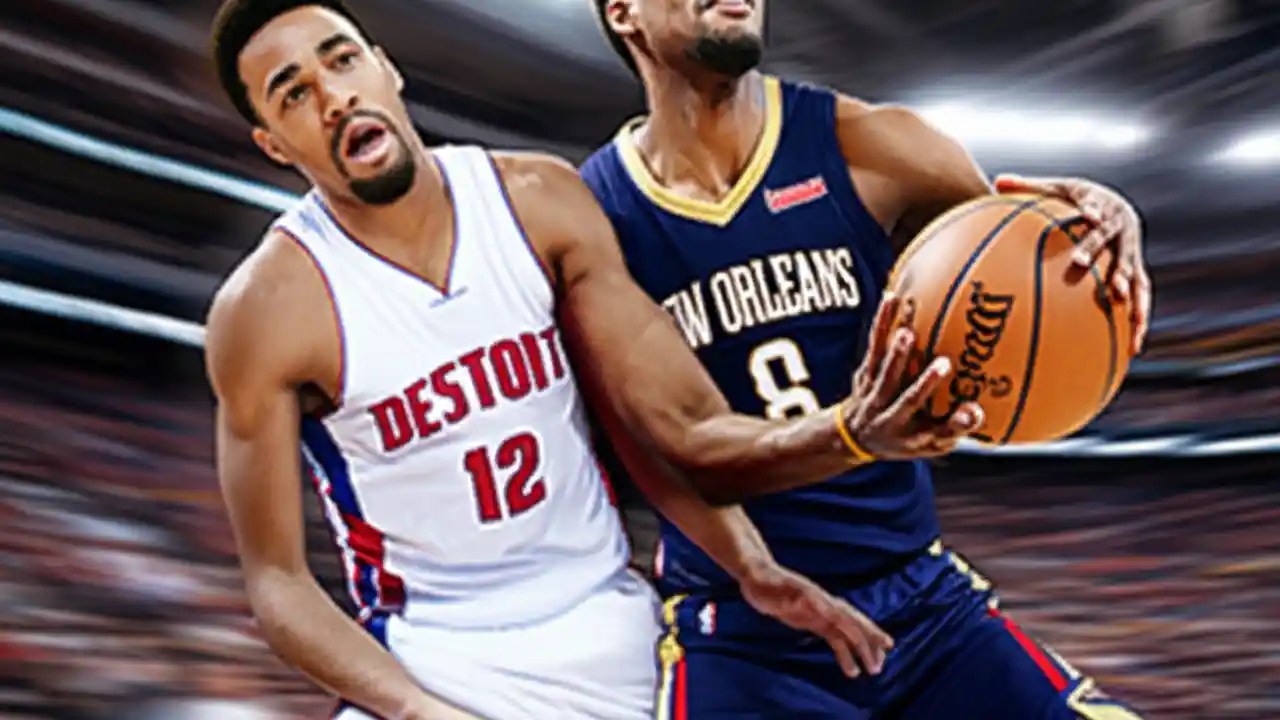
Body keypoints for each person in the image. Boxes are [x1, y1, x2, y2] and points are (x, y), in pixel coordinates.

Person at [205, 1, 974, 718]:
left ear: (385, 67)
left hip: (614, 632)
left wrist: (751, 566)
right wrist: (416, 710)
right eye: (293, 94)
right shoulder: (267, 311)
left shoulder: (541, 200)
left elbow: (655, 426)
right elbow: (278, 584)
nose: (333, 97)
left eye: (341, 62)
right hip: (431, 658)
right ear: (274, 143)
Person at [582, 1, 1153, 718]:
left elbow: (1021, 287)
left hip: (921, 602)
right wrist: (852, 434)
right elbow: (684, 448)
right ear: (624, 12)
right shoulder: (597, 217)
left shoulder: (880, 147)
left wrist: (1090, 235)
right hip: (743, 634)